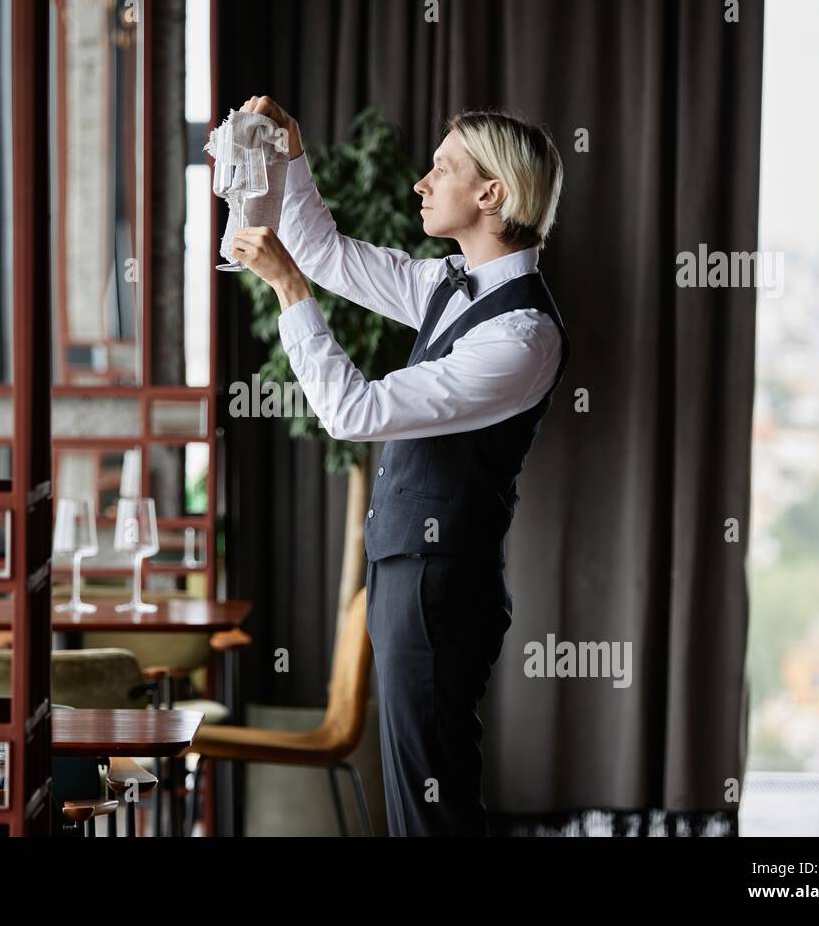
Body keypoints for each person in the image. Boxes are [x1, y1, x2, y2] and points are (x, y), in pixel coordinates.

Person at [229, 96, 569, 836]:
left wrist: (290, 292)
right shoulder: (447, 284)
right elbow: (324, 252)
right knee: (420, 802)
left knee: (430, 809)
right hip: (408, 573)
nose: (420, 182)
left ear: (492, 194)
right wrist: (290, 154)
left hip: (439, 587)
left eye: (441, 169)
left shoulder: (522, 335)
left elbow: (353, 412)